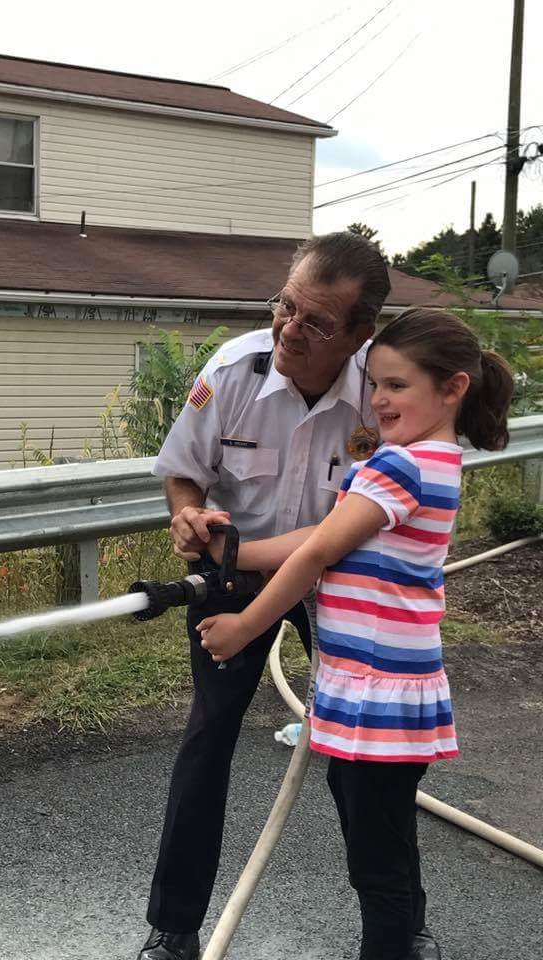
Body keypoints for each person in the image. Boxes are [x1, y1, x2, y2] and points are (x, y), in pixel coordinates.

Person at [196, 308, 514, 960]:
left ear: (452, 388)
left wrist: (244, 625)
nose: (378, 400)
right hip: (384, 685)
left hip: (379, 691)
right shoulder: (430, 461)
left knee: (377, 858)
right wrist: (238, 551)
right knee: (382, 839)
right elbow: (326, 539)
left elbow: (314, 555)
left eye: (397, 386)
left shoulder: (402, 467)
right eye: (375, 385)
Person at [137, 232, 392, 960]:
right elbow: (184, 471)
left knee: (360, 751)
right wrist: (187, 514)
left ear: (359, 334)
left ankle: (395, 925)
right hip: (235, 570)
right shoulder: (235, 370)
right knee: (208, 739)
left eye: (315, 323)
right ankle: (173, 927)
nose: (288, 331)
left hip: (342, 580)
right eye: (285, 307)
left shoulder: (387, 389)